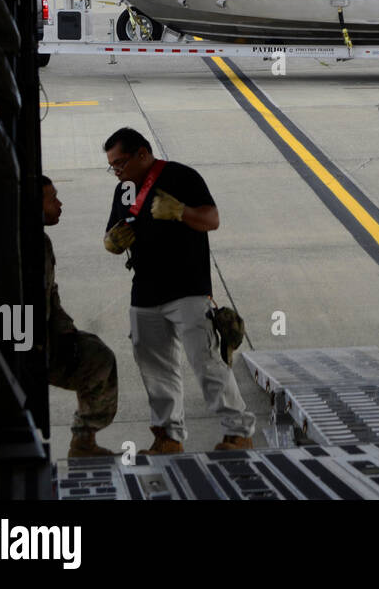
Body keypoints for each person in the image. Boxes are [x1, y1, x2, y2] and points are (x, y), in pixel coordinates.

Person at [102, 127, 255, 452]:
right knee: (155, 369)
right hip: (144, 291)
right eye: (112, 166)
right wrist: (112, 242)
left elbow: (211, 219)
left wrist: (181, 212)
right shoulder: (124, 190)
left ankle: (238, 433)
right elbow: (113, 232)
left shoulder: (182, 177)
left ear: (143, 153)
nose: (117, 171)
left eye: (120, 163)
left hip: (188, 288)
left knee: (207, 363)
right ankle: (168, 437)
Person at [43, 176, 119, 458]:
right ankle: (84, 441)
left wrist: (66, 332)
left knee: (96, 353)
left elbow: (50, 297)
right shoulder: (24, 244)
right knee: (97, 358)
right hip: (20, 341)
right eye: (52, 199)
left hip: (39, 336)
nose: (59, 204)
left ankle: (84, 442)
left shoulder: (39, 241)